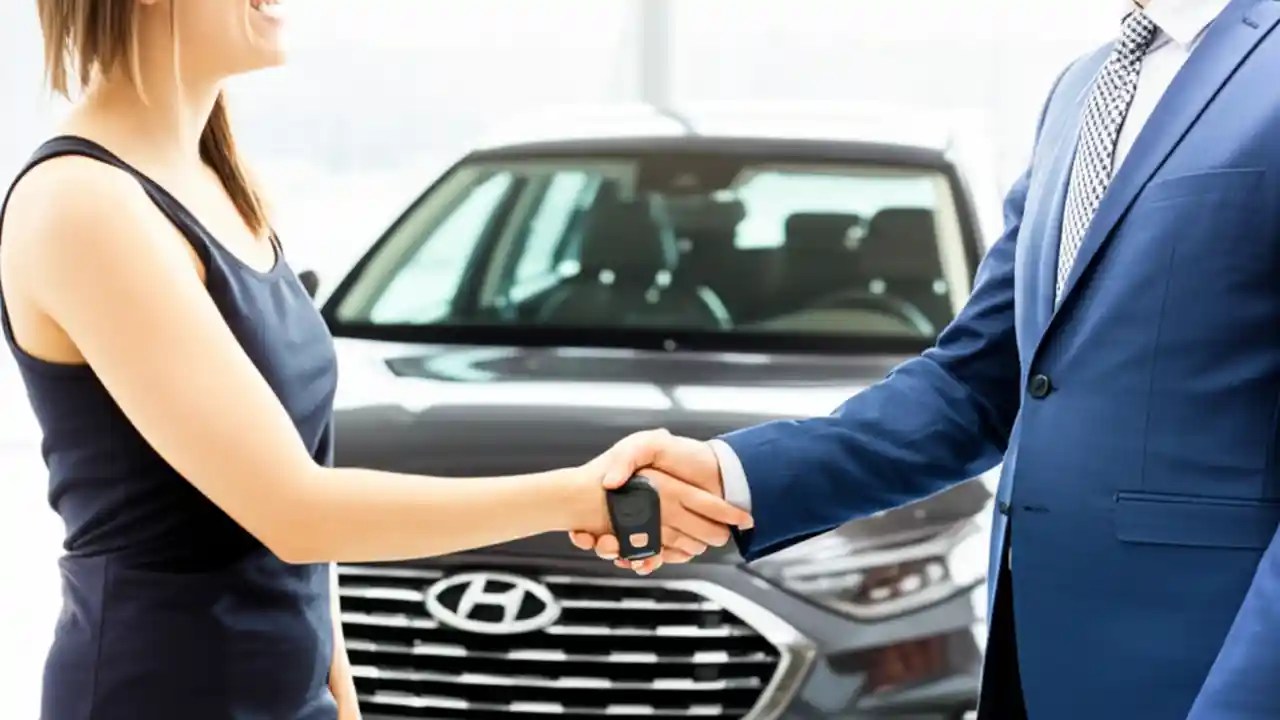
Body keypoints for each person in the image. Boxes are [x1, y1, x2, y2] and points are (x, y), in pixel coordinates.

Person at [0, 2, 753, 719]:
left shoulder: (212, 182)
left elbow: (302, 505)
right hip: (158, 696)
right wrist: (580, 497)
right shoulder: (84, 205)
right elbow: (295, 512)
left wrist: (338, 691)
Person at [573, 0, 1280, 718]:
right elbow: (979, 381)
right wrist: (734, 476)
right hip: (1035, 669)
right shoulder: (1085, 87)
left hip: (1207, 677)